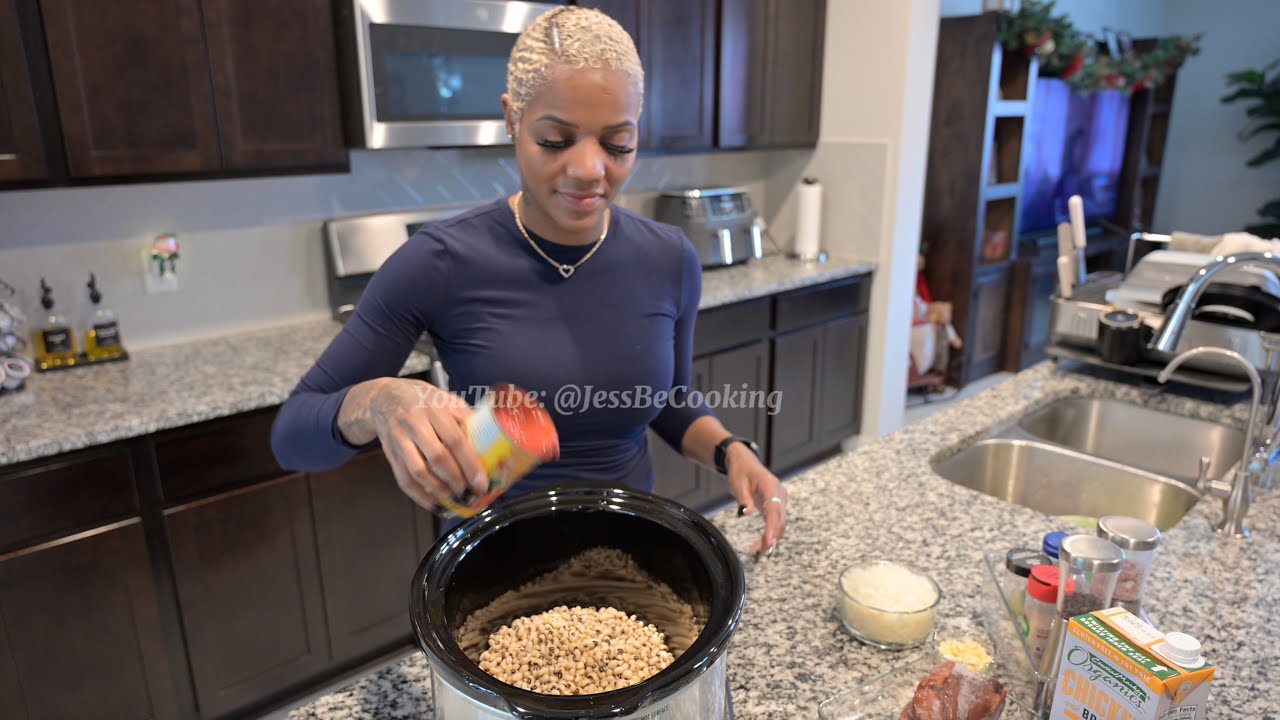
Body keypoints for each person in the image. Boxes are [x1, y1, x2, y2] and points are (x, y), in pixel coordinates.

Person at [270, 7, 787, 556]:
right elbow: (292, 438)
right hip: (496, 565)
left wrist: (734, 452)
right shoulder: (441, 262)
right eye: (556, 140)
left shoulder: (669, 259)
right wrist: (378, 401)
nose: (590, 169)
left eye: (617, 144)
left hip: (628, 552)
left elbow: (668, 397)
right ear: (512, 119)